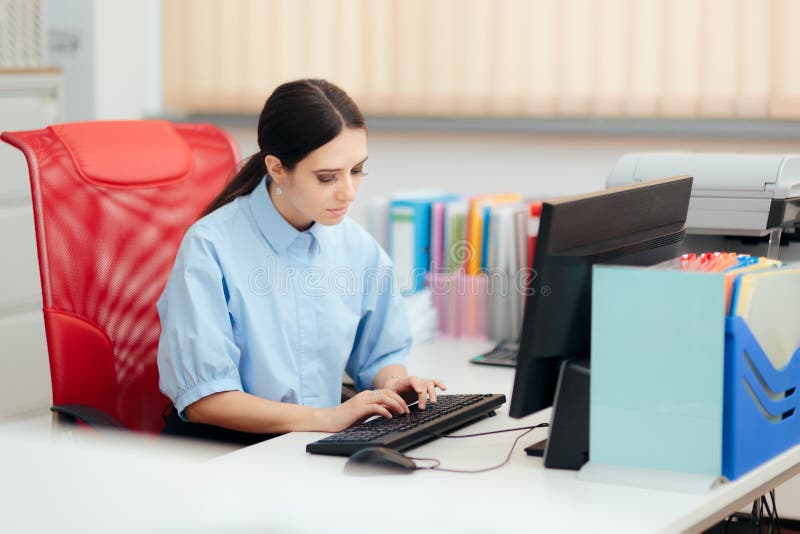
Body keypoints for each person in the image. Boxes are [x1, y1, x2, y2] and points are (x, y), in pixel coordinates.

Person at [157, 79, 445, 444]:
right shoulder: (211, 246)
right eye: (327, 177)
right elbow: (205, 400)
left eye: (357, 170)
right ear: (277, 168)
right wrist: (327, 418)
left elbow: (379, 353)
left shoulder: (356, 247)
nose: (349, 192)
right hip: (225, 453)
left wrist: (392, 383)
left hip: (307, 446)